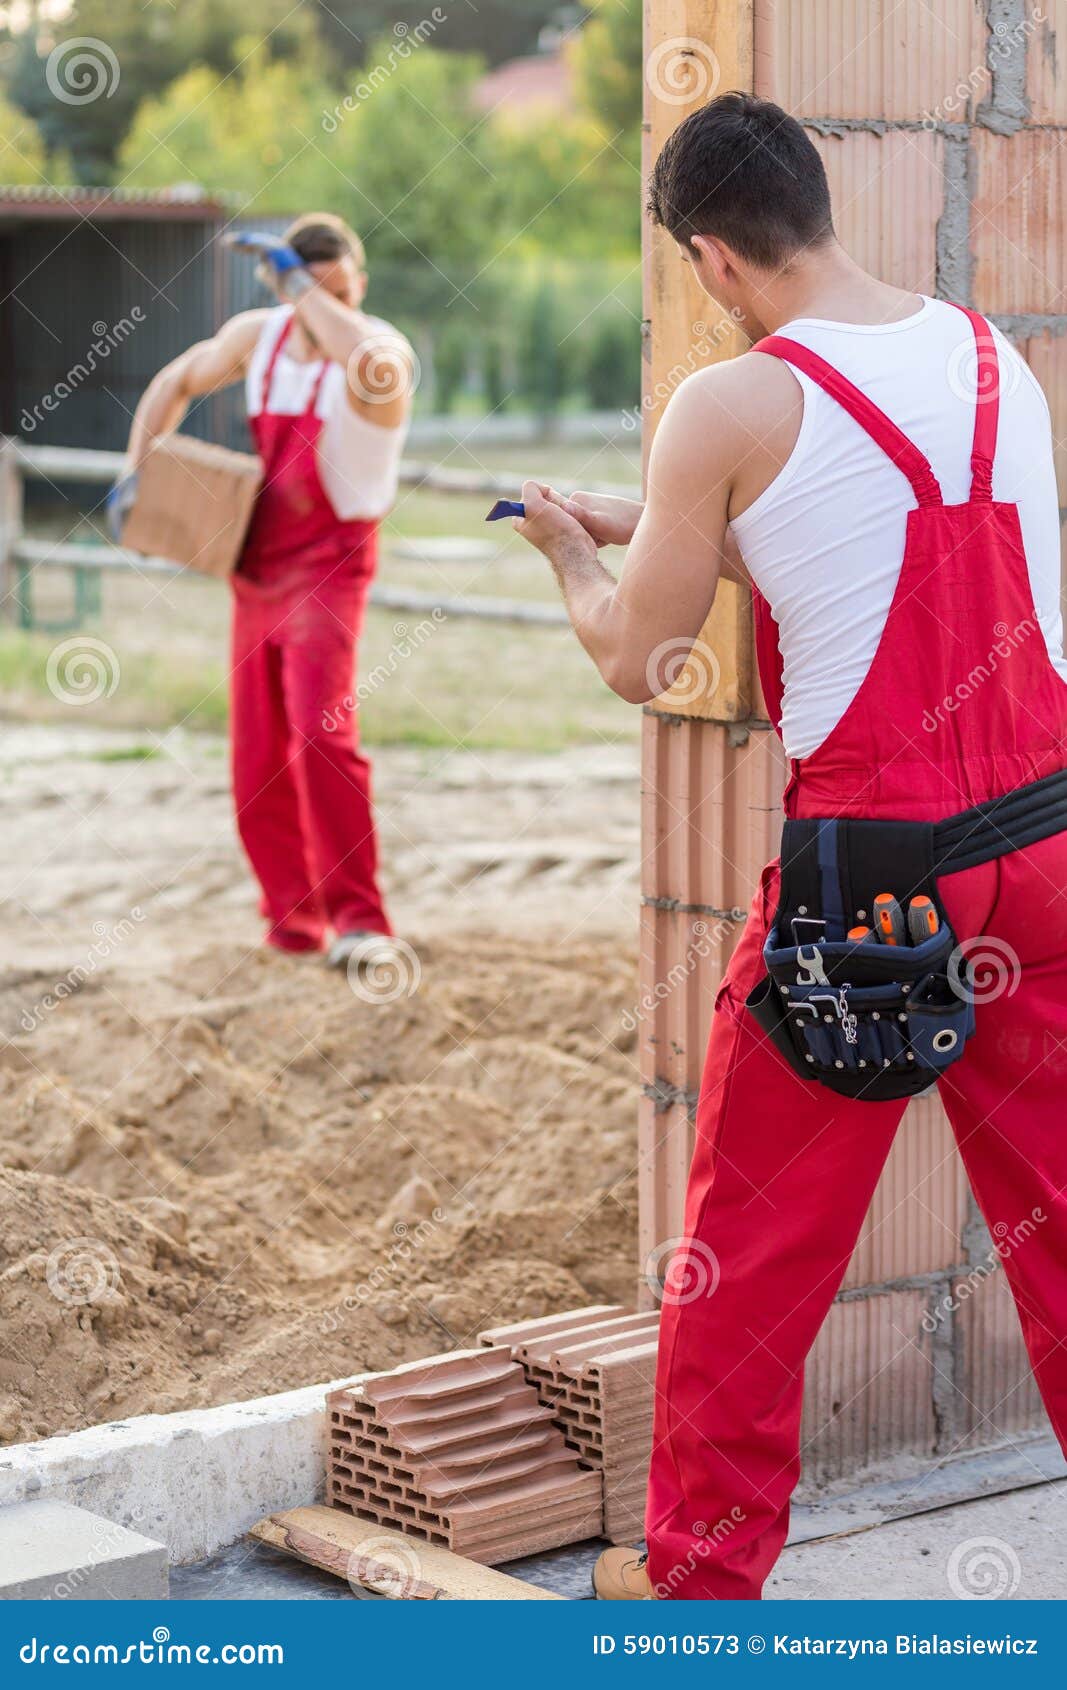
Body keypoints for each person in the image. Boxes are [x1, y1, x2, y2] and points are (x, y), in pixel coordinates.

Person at [513, 91, 1067, 1600]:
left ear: (709, 258)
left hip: (873, 891)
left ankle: (698, 1599)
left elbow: (641, 659)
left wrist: (573, 551)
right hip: (1044, 843)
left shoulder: (728, 401)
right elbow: (855, 516)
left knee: (743, 1269)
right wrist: (661, 514)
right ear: (815, 203)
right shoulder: (985, 356)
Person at [116, 214, 412, 969]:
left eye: (339, 294)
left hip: (330, 566)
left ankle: (359, 920)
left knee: (321, 736)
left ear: (359, 286)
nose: (326, 311)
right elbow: (175, 379)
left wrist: (306, 292)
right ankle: (291, 922)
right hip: (257, 563)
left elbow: (365, 354)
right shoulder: (263, 335)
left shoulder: (379, 354)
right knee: (255, 759)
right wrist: (136, 467)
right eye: (314, 294)